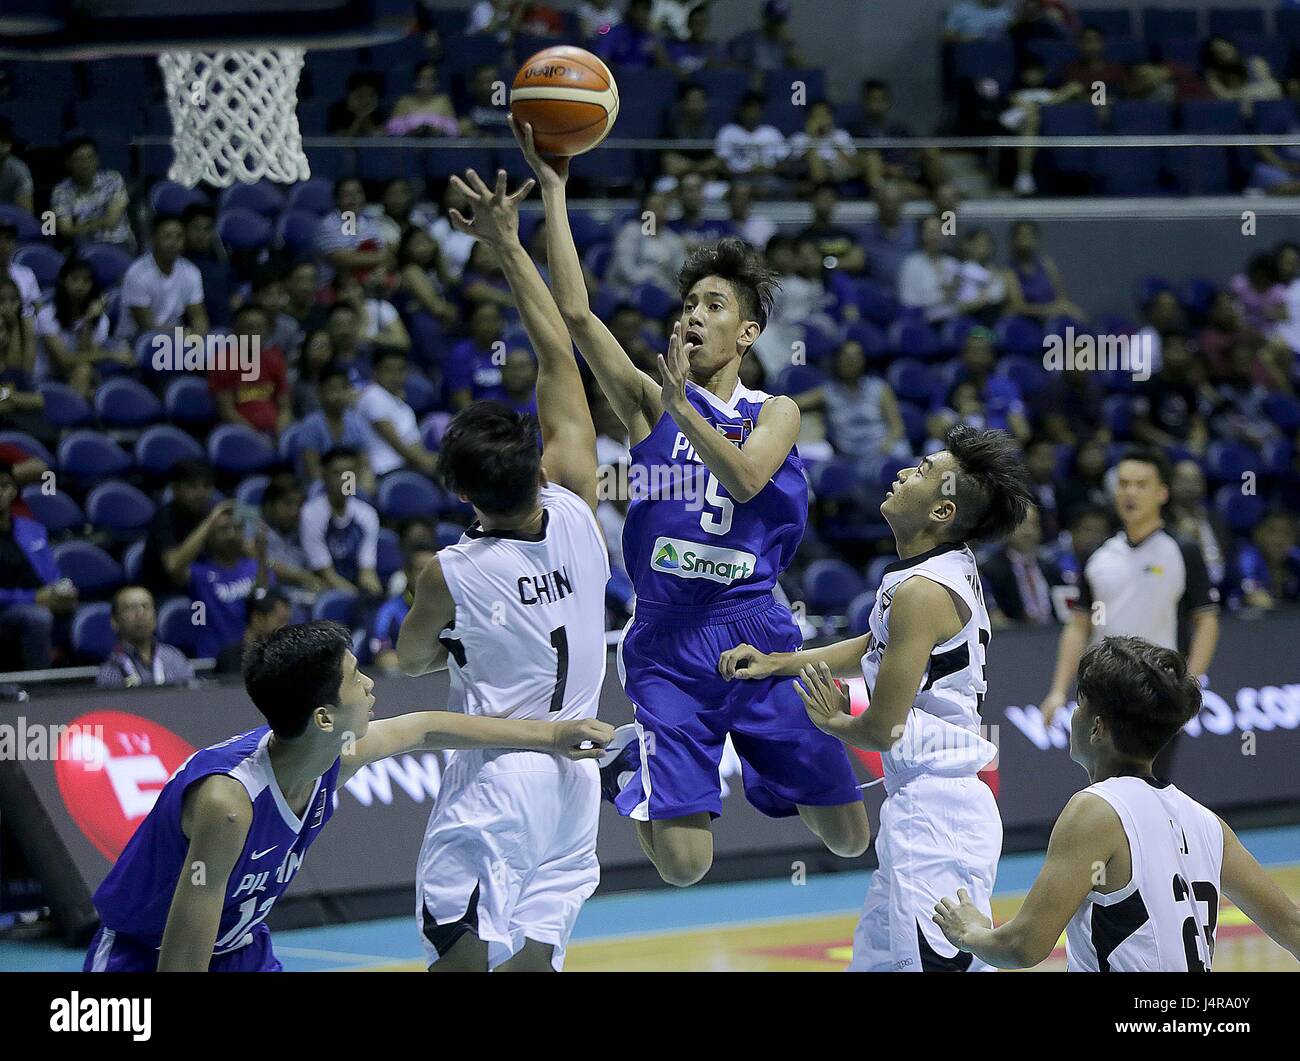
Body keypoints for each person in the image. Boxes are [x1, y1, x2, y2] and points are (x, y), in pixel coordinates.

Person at [516, 117, 870, 887]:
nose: (691, 316)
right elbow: (576, 317)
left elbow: (746, 479)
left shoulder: (777, 410)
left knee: (847, 836)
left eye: (711, 305)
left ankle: (731, 763)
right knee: (683, 866)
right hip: (669, 640)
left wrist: (685, 410)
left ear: (746, 331)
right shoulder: (649, 403)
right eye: (687, 305)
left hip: (757, 625)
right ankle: (625, 762)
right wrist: (554, 189)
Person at [84, 619, 613, 971]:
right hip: (142, 956)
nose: (370, 685)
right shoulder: (229, 806)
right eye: (356, 678)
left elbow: (427, 728)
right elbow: (181, 961)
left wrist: (552, 735)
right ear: (323, 717)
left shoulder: (332, 756)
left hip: (241, 949)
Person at [395, 167, 611, 972]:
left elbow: (410, 661)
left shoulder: (448, 572)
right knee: (530, 961)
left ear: (459, 491)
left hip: (501, 779)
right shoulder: (582, 503)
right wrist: (509, 246)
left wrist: (439, 640)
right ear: (535, 459)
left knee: (456, 949)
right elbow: (559, 354)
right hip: (575, 779)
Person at [723, 425, 1033, 972]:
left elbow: (883, 728)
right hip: (924, 803)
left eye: (922, 472)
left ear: (941, 512)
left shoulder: (922, 593)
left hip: (939, 813)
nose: (902, 473)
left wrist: (833, 721)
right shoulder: (929, 575)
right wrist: (782, 662)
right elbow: (875, 645)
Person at [934, 636, 1300, 971]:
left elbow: (1023, 946)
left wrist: (969, 932)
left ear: (1097, 728)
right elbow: (1290, 925)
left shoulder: (1096, 810)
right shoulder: (1208, 824)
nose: (1072, 716)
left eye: (1079, 705)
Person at [1040, 447, 1220, 782]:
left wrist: (1190, 684)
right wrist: (1057, 690)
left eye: (1141, 484)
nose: (1130, 492)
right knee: (1104, 787)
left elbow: (1206, 620)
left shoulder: (1182, 551)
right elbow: (1079, 625)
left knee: (1151, 785)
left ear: (1162, 492)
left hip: (1158, 691)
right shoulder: (1099, 556)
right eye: (1123, 484)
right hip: (1104, 689)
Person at [0, 460, 76, 670]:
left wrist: (62, 591)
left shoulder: (32, 529)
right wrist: (33, 598)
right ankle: (41, 687)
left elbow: (52, 573)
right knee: (38, 617)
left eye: (4, 485)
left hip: (40, 600)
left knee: (84, 611)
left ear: (13, 491)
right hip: (8, 610)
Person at [36, 256, 131, 396]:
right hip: (46, 376)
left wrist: (88, 321)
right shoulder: (47, 314)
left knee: (86, 371)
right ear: (63, 282)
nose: (80, 286)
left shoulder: (100, 319)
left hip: (76, 374)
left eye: (86, 281)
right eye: (75, 279)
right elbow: (64, 361)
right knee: (84, 372)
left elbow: (85, 356)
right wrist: (111, 355)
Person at [300, 446, 383, 598]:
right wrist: (358, 598)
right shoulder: (311, 513)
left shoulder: (367, 514)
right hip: (320, 588)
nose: (345, 480)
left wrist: (375, 598)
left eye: (349, 473)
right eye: (337, 473)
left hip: (355, 586)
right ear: (324, 476)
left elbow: (367, 570)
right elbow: (326, 573)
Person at [117, 214, 209, 341]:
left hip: (176, 337)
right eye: (167, 236)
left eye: (179, 237)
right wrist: (185, 335)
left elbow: (198, 316)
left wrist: (198, 336)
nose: (174, 243)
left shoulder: (191, 272)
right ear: (153, 239)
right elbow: (147, 325)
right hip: (136, 339)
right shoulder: (137, 274)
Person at [356, 349, 438, 477]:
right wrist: (427, 462)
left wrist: (431, 461)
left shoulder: (406, 409)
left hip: (407, 469)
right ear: (375, 372)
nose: (396, 376)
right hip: (382, 472)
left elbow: (415, 445)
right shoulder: (372, 395)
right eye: (388, 370)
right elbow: (397, 444)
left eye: (401, 370)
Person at [96, 586, 196, 688]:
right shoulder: (110, 671)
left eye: (146, 606)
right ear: (114, 621)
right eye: (130, 607)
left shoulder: (175, 658)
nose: (140, 613)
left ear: (155, 617)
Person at [50, 135, 133, 250]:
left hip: (119, 243)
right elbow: (65, 230)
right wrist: (98, 223)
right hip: (83, 248)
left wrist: (81, 226)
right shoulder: (61, 191)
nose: (85, 164)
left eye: (90, 158)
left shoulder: (113, 179)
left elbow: (111, 221)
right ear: (68, 163)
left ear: (97, 160)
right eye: (79, 159)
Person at [369, 545, 437, 672]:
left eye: (433, 571)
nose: (429, 577)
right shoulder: (389, 610)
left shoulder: (454, 608)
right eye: (421, 569)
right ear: (407, 573)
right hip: (405, 682)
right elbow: (382, 655)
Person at [215, 586, 293, 676]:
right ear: (258, 619)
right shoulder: (229, 659)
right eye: (281, 621)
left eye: (287, 621)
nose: (286, 628)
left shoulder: (287, 659)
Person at [0, 118, 33, 213]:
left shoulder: (19, 170)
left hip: (7, 221)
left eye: (5, 141)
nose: (2, 146)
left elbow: (25, 214)